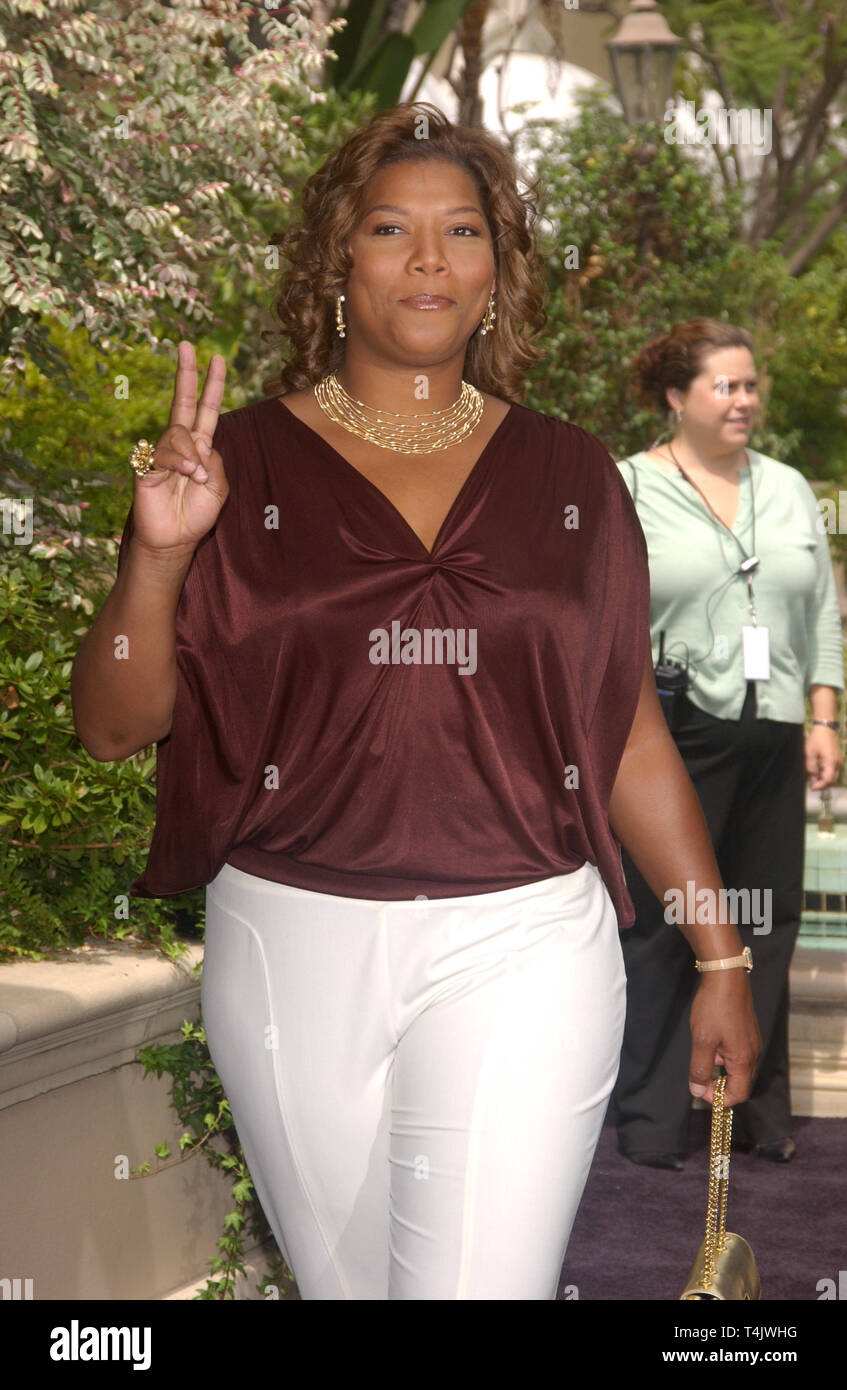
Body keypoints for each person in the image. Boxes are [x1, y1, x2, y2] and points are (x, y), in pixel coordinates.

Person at [71, 104, 760, 1301]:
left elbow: (625, 729)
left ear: (499, 270)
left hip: (527, 935)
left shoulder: (571, 477)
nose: (430, 260)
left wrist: (719, 952)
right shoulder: (232, 465)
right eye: (391, 229)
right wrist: (159, 555)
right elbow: (115, 728)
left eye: (463, 231)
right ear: (338, 260)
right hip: (288, 943)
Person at [613, 319, 843, 1171]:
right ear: (676, 396)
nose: (745, 400)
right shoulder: (627, 486)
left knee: (767, 920)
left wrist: (823, 714)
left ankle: (753, 1113)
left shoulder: (787, 488)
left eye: (751, 386)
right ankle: (651, 1117)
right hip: (668, 729)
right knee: (670, 916)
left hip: (774, 727)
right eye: (726, 386)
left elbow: (819, 606)